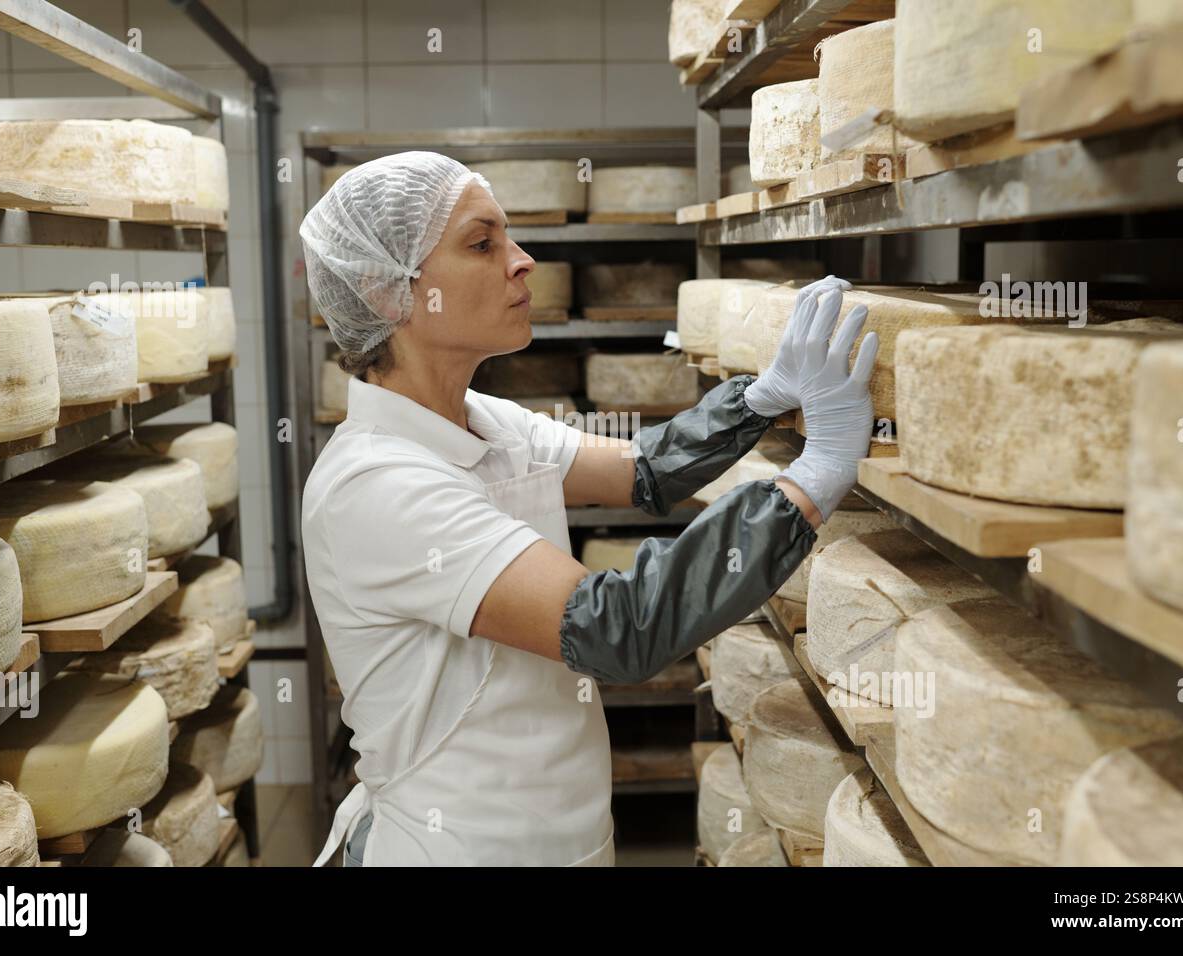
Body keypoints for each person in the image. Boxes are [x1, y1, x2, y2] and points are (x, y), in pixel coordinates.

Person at [299, 151, 877, 867]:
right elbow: (617, 626)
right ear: (388, 292)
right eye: (483, 244)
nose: (522, 261)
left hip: (558, 836)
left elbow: (645, 470)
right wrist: (813, 482)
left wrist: (757, 399)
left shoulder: (483, 420)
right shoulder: (377, 484)